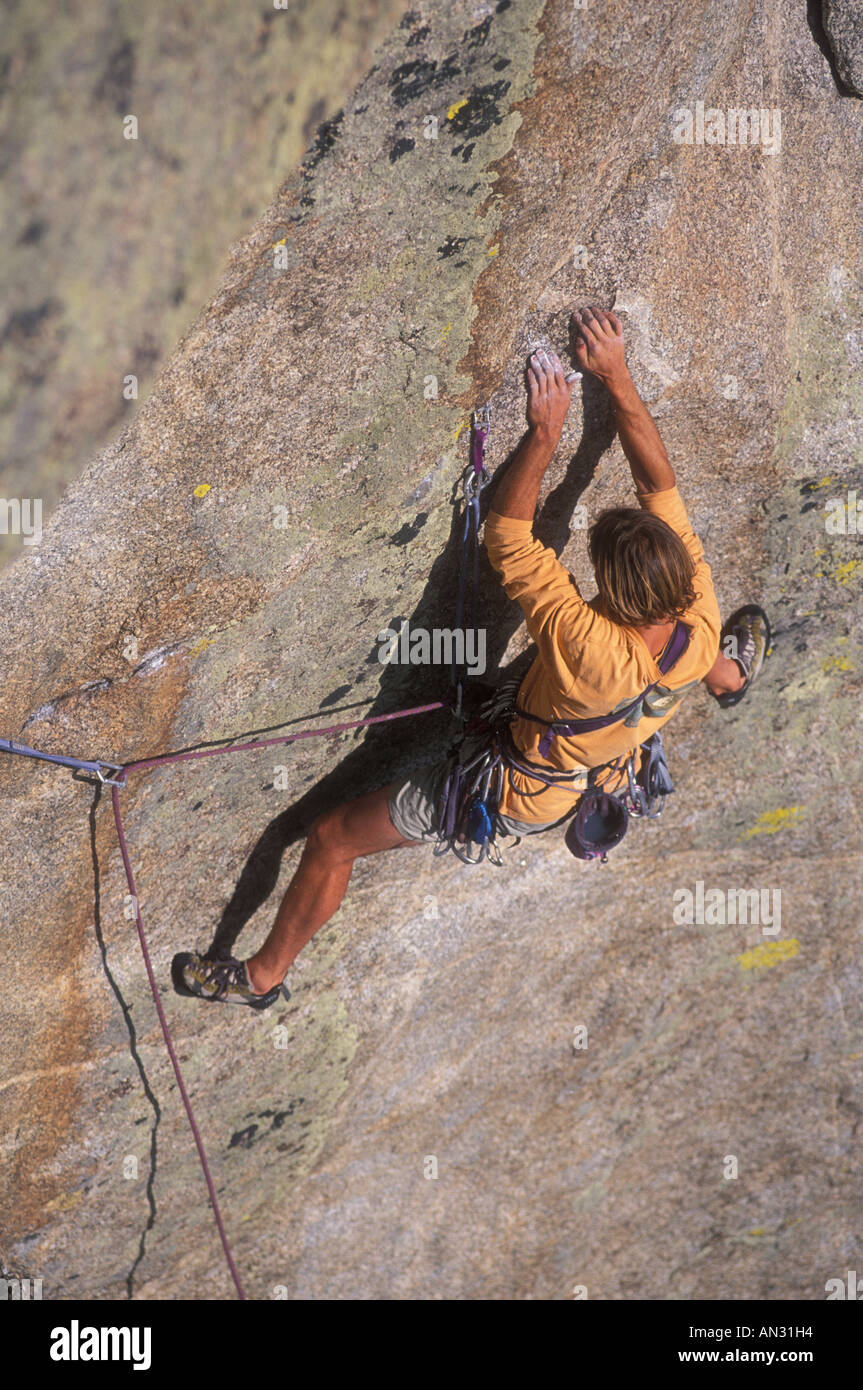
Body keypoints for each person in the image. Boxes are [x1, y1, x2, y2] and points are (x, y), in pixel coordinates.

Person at [173, 305, 769, 1008]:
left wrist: (544, 433)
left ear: (613, 595)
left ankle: (257, 979)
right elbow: (657, 483)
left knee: (331, 838)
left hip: (516, 786)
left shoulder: (583, 640)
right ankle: (727, 676)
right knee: (686, 664)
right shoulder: (695, 606)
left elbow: (509, 535)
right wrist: (616, 374)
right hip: (613, 725)